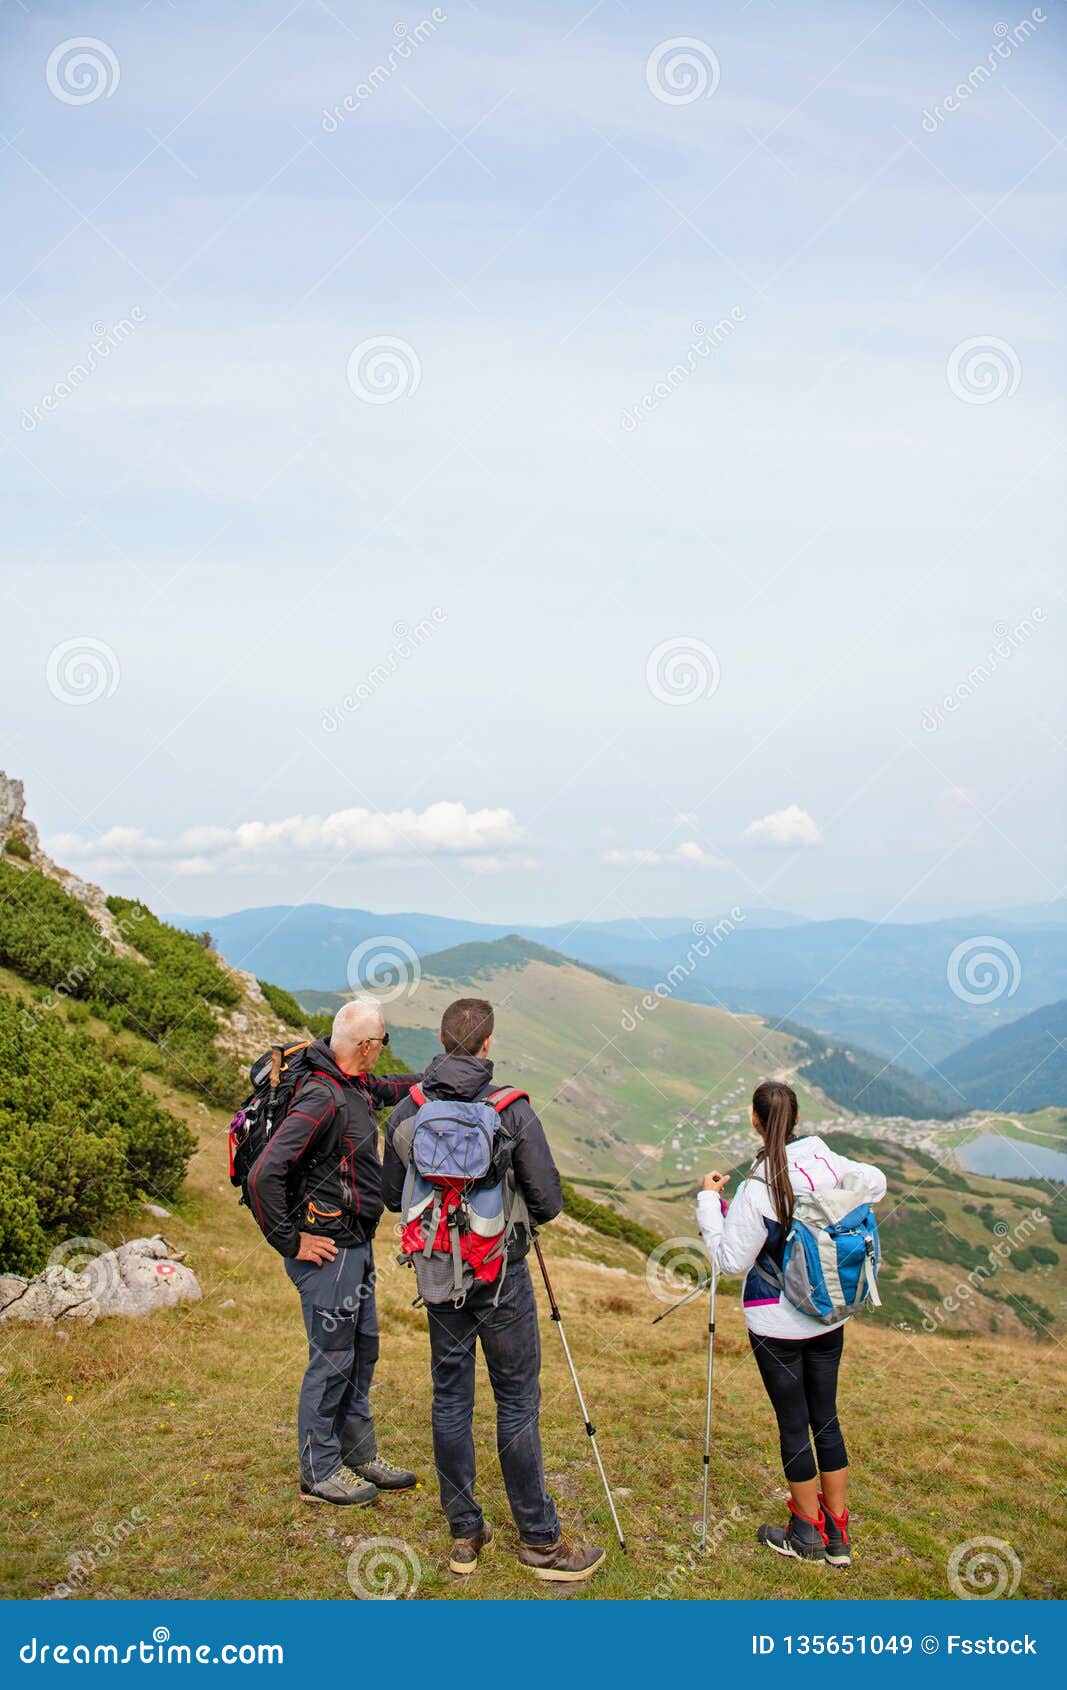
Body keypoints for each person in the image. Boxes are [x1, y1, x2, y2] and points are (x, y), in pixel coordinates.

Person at [382, 996, 605, 1582]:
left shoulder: (408, 1111)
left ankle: (464, 1534)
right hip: (500, 1275)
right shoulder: (511, 1110)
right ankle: (539, 1541)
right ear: (486, 1045)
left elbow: (388, 1194)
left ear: (441, 1040)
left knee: (450, 1398)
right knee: (517, 1401)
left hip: (437, 1275)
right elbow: (549, 1201)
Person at [696, 1080, 886, 1566]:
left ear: (756, 1121)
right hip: (827, 1314)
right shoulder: (827, 1161)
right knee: (826, 1417)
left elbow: (731, 1261)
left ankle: (805, 1532)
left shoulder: (759, 1185)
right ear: (797, 1118)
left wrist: (707, 1205)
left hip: (777, 1321)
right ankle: (838, 1532)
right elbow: (876, 1183)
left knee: (793, 1425)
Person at [248, 998, 420, 1506]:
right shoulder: (321, 1097)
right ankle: (318, 1471)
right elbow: (264, 1175)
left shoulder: (354, 1084)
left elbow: (392, 1089)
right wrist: (291, 1239)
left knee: (362, 1349)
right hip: (327, 1251)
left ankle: (358, 1453)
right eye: (382, 1041)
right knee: (333, 1358)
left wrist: (447, 1071)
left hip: (355, 1244)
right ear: (366, 1046)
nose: (383, 1051)